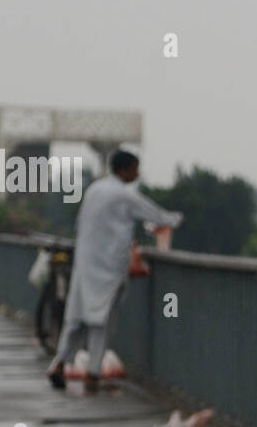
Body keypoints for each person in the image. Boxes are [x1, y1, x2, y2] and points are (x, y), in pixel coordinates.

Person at [46, 151, 181, 393]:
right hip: (109, 268)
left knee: (75, 320)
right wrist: (175, 219)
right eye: (135, 169)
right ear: (126, 170)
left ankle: (59, 364)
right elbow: (156, 215)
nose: (137, 174)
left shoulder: (94, 190)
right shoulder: (123, 195)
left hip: (86, 265)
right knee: (101, 322)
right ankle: (93, 372)